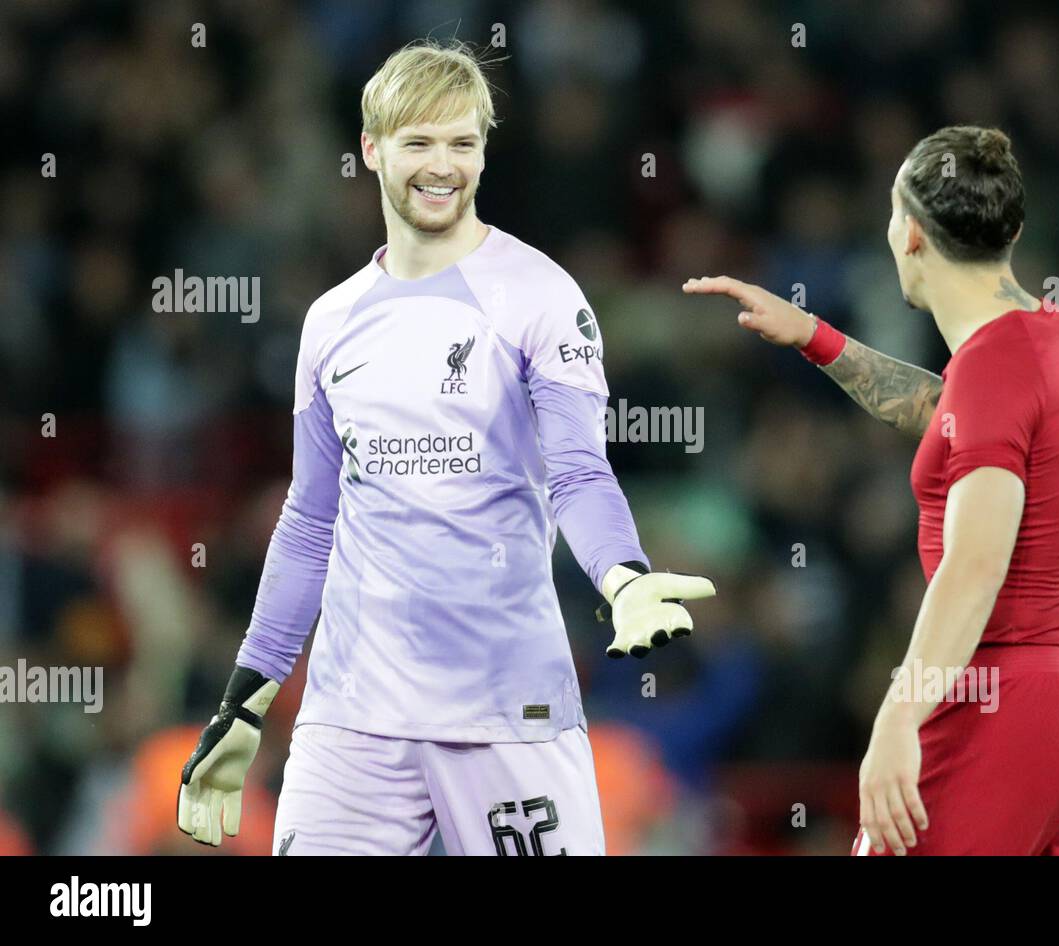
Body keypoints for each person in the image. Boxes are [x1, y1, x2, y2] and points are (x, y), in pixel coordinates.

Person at [178, 40, 714, 856]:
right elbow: (311, 518)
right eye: (418, 142)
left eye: (462, 143)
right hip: (353, 721)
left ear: (485, 151)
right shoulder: (331, 322)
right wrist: (246, 699)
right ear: (371, 149)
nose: (442, 166)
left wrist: (623, 575)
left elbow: (577, 470)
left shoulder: (541, 296)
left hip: (509, 713)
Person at [684, 126, 1059, 855]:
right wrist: (815, 337)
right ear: (1009, 228)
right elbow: (946, 413)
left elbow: (976, 566)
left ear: (909, 232)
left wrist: (898, 714)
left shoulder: (994, 368)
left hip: (997, 704)